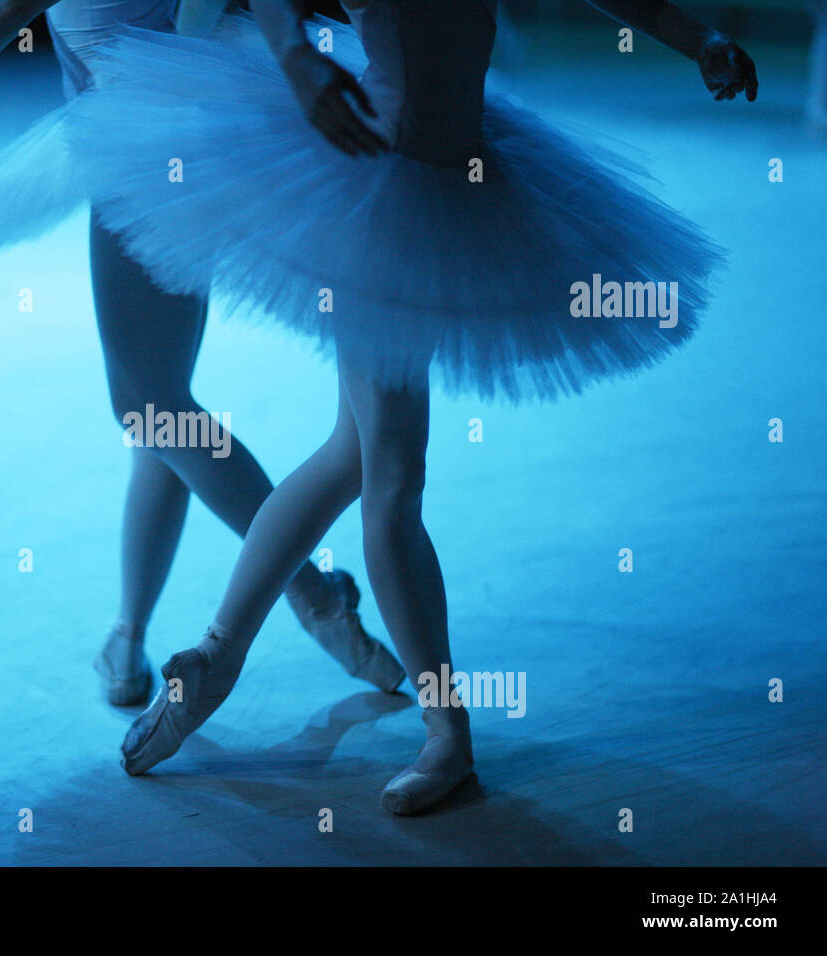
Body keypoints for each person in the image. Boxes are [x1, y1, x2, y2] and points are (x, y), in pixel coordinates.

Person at [58, 0, 756, 813]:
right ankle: (445, 730)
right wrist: (295, 61)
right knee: (393, 475)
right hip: (375, 199)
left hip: (453, 183)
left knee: (351, 456)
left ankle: (215, 660)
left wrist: (698, 37)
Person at [0, 0, 407, 707]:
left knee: (146, 406)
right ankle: (129, 632)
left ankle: (310, 595)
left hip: (148, 157)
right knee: (161, 406)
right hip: (197, 147)